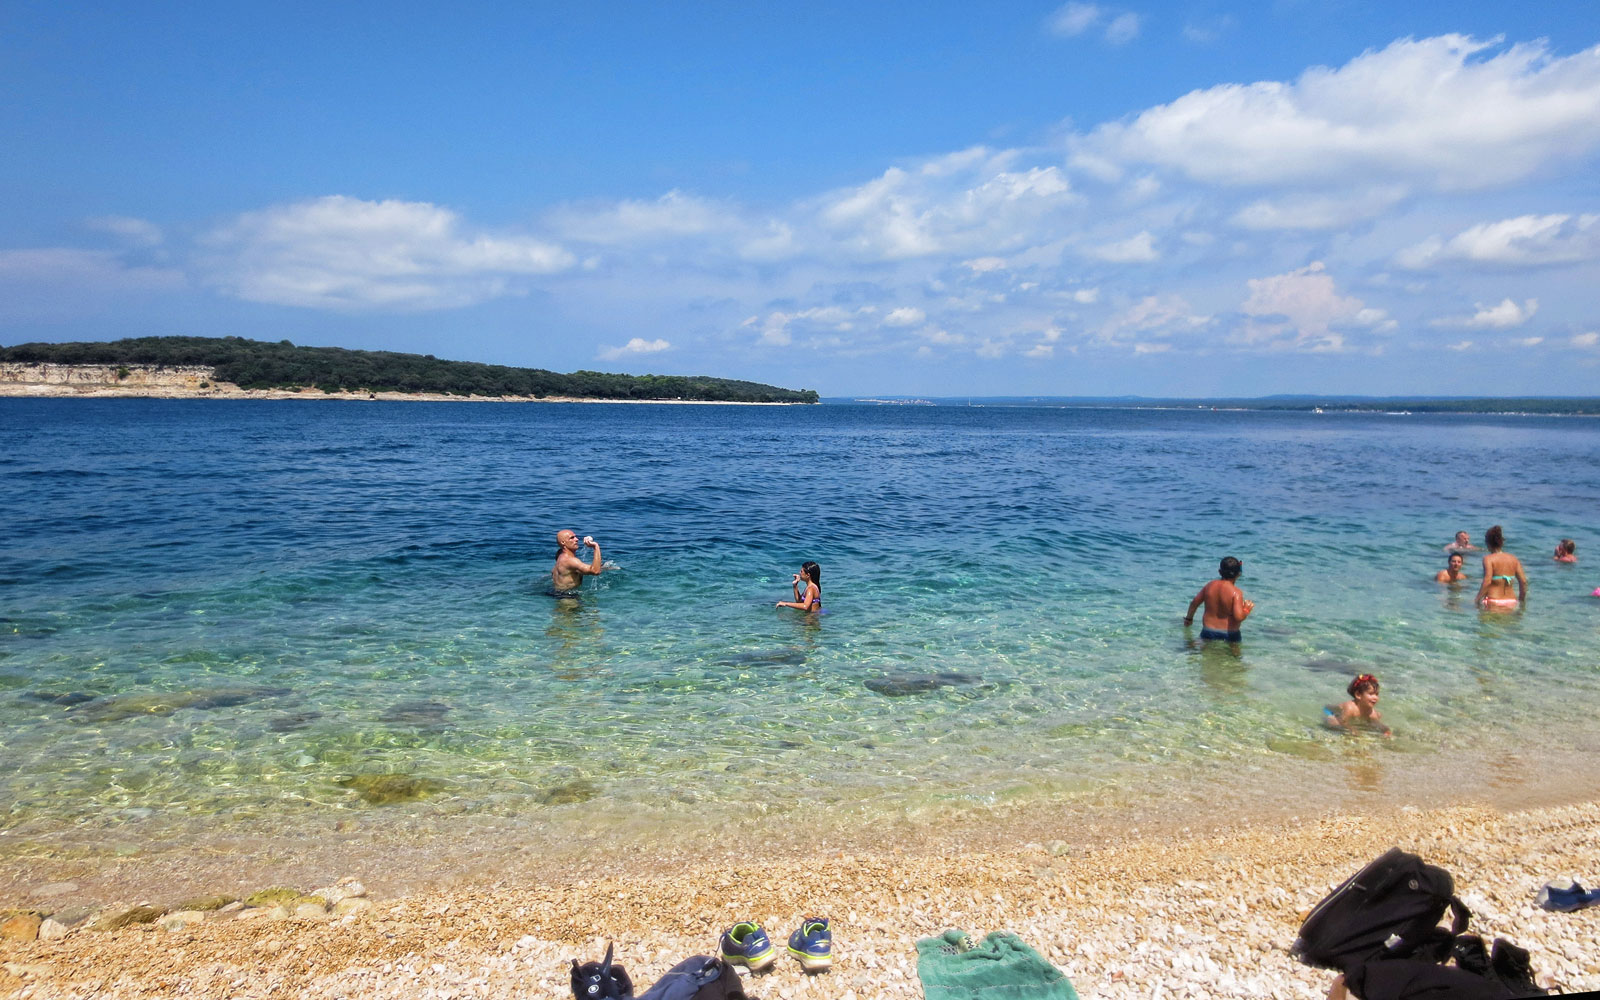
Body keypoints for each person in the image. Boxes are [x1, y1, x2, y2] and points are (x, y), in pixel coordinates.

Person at [1183, 556, 1254, 642]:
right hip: (1230, 634)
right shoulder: (1236, 593)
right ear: (1239, 574)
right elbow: (1238, 617)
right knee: (1235, 655)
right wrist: (1246, 610)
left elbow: (1194, 603)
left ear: (1220, 572)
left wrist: (1189, 619)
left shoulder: (1209, 586)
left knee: (1206, 654)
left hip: (1208, 631)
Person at [1475, 525, 1527, 609]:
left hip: (1493, 600)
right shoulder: (1513, 559)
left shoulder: (1488, 559)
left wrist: (1477, 600)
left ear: (1488, 542)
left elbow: (1487, 581)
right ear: (1501, 541)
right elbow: (1523, 581)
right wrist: (1521, 601)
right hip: (1511, 601)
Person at [1324, 673, 1392, 737]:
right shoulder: (1350, 708)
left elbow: (1378, 724)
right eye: (1371, 694)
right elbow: (1343, 721)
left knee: (1376, 717)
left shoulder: (1372, 712)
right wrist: (1352, 729)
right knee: (1334, 722)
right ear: (1358, 695)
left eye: (1376, 694)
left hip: (1352, 716)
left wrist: (1386, 730)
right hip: (1330, 711)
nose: (1375, 698)